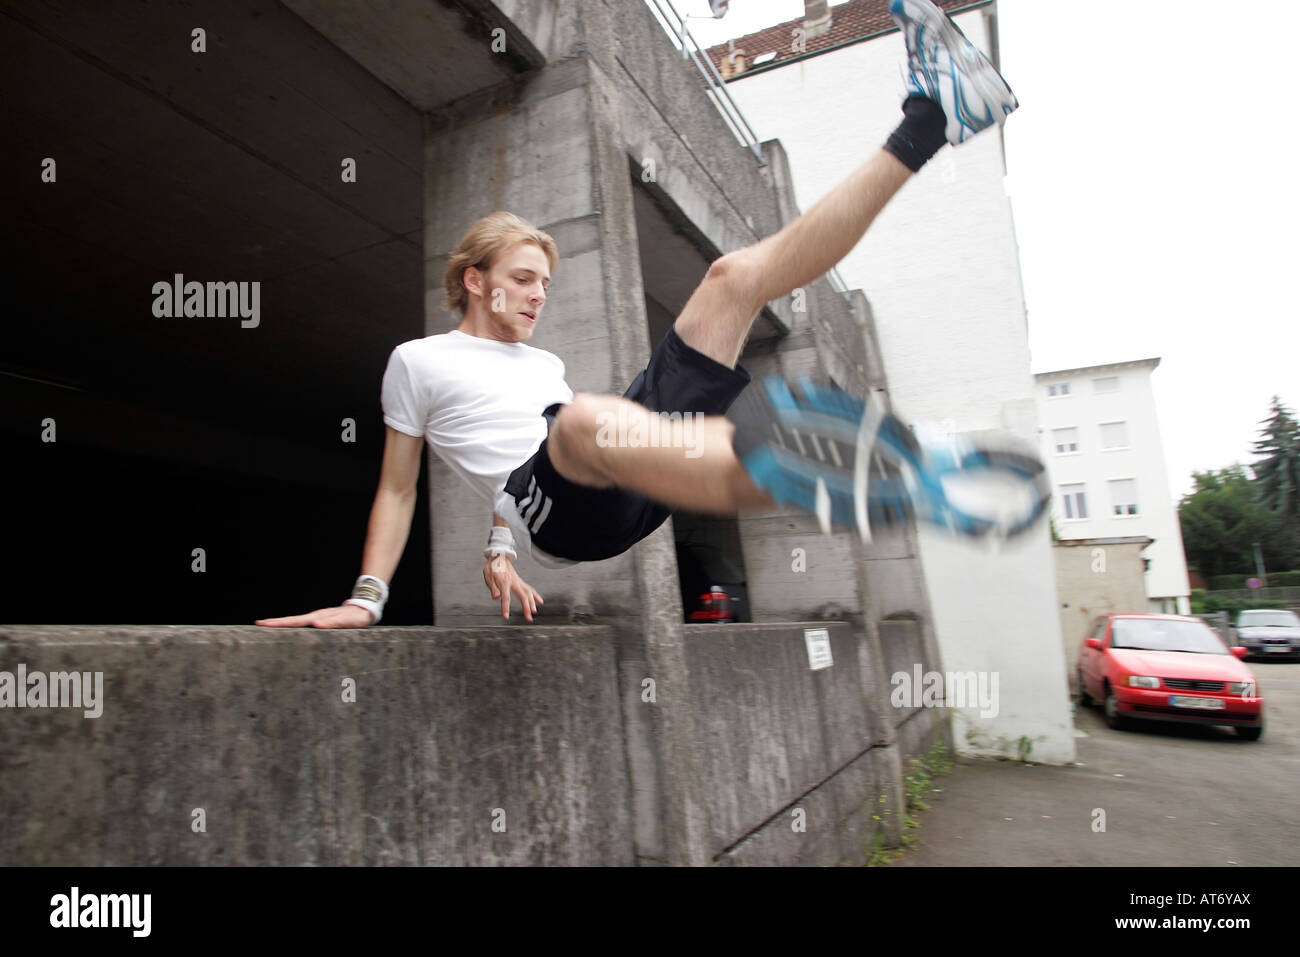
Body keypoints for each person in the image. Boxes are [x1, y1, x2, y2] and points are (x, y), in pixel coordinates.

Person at [255, 0, 1017, 629]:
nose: (538, 295)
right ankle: (857, 471)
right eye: (522, 279)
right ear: (474, 281)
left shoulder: (541, 368)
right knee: (583, 419)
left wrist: (496, 548)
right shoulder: (417, 362)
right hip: (571, 514)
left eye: (547, 284)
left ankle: (930, 117)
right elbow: (400, 486)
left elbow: (501, 468)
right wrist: (367, 599)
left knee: (730, 279)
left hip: (618, 461)